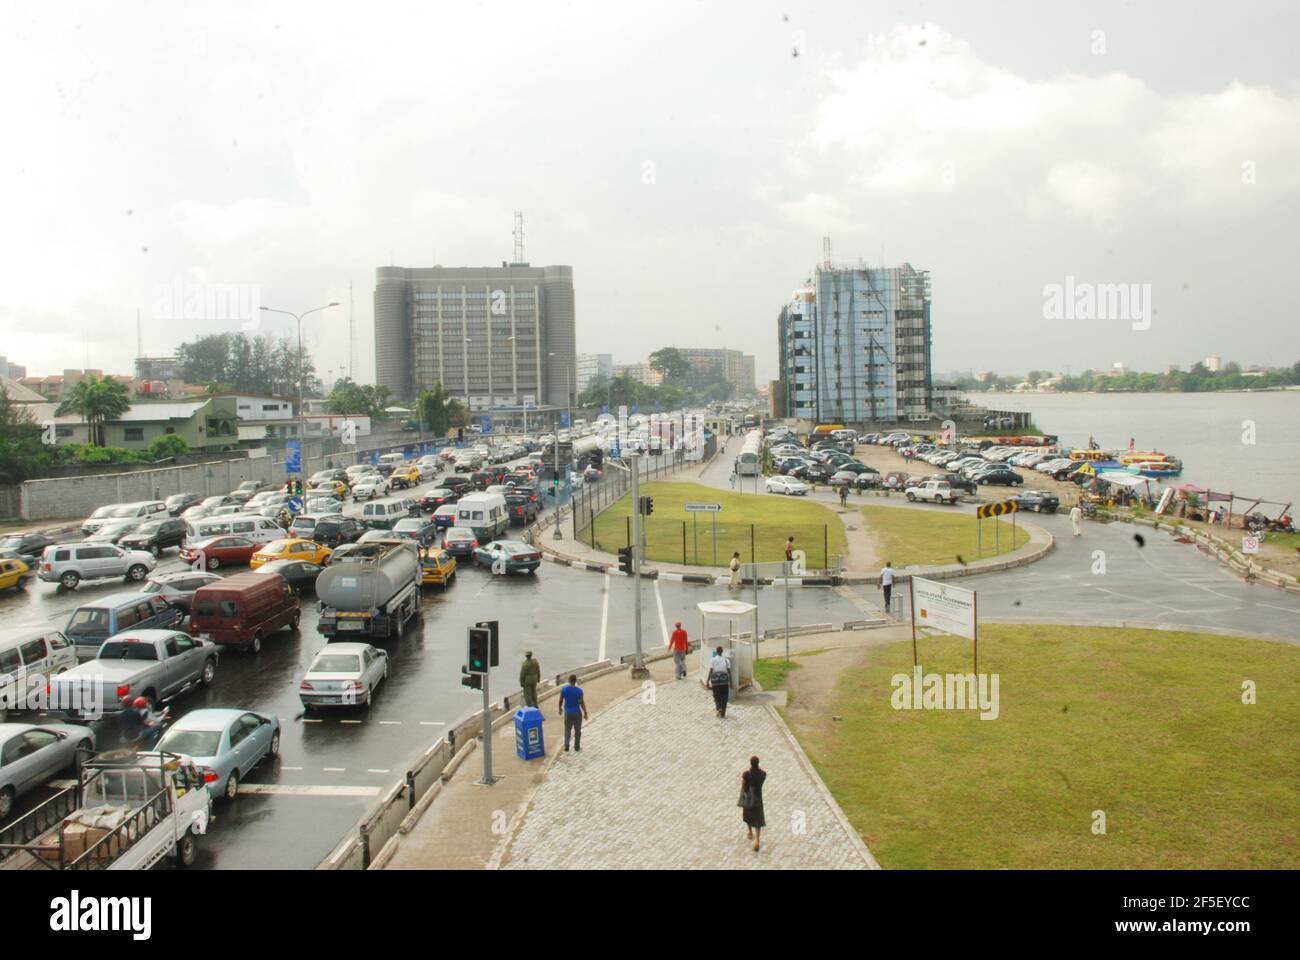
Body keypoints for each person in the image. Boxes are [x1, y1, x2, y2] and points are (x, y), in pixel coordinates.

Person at [739, 756, 767, 852]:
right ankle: (758, 840)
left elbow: (743, 784)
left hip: (748, 798)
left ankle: (750, 832)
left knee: (748, 816)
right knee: (758, 819)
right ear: (758, 763)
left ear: (750, 763)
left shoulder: (746, 774)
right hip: (758, 799)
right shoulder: (763, 774)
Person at [559, 674, 588, 751]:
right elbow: (582, 702)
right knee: (577, 730)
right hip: (577, 713)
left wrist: (560, 709)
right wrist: (585, 712)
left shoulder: (564, 690)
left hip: (568, 713)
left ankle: (566, 745)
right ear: (575, 681)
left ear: (569, 680)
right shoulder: (579, 691)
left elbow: (561, 700)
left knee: (567, 729)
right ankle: (577, 747)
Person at [709, 646, 731, 718]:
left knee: (716, 695)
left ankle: (719, 708)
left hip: (715, 682)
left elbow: (711, 671)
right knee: (724, 696)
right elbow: (729, 672)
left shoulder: (712, 660)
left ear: (716, 651)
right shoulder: (726, 660)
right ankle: (723, 714)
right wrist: (731, 682)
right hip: (724, 681)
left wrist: (707, 681)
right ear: (722, 652)